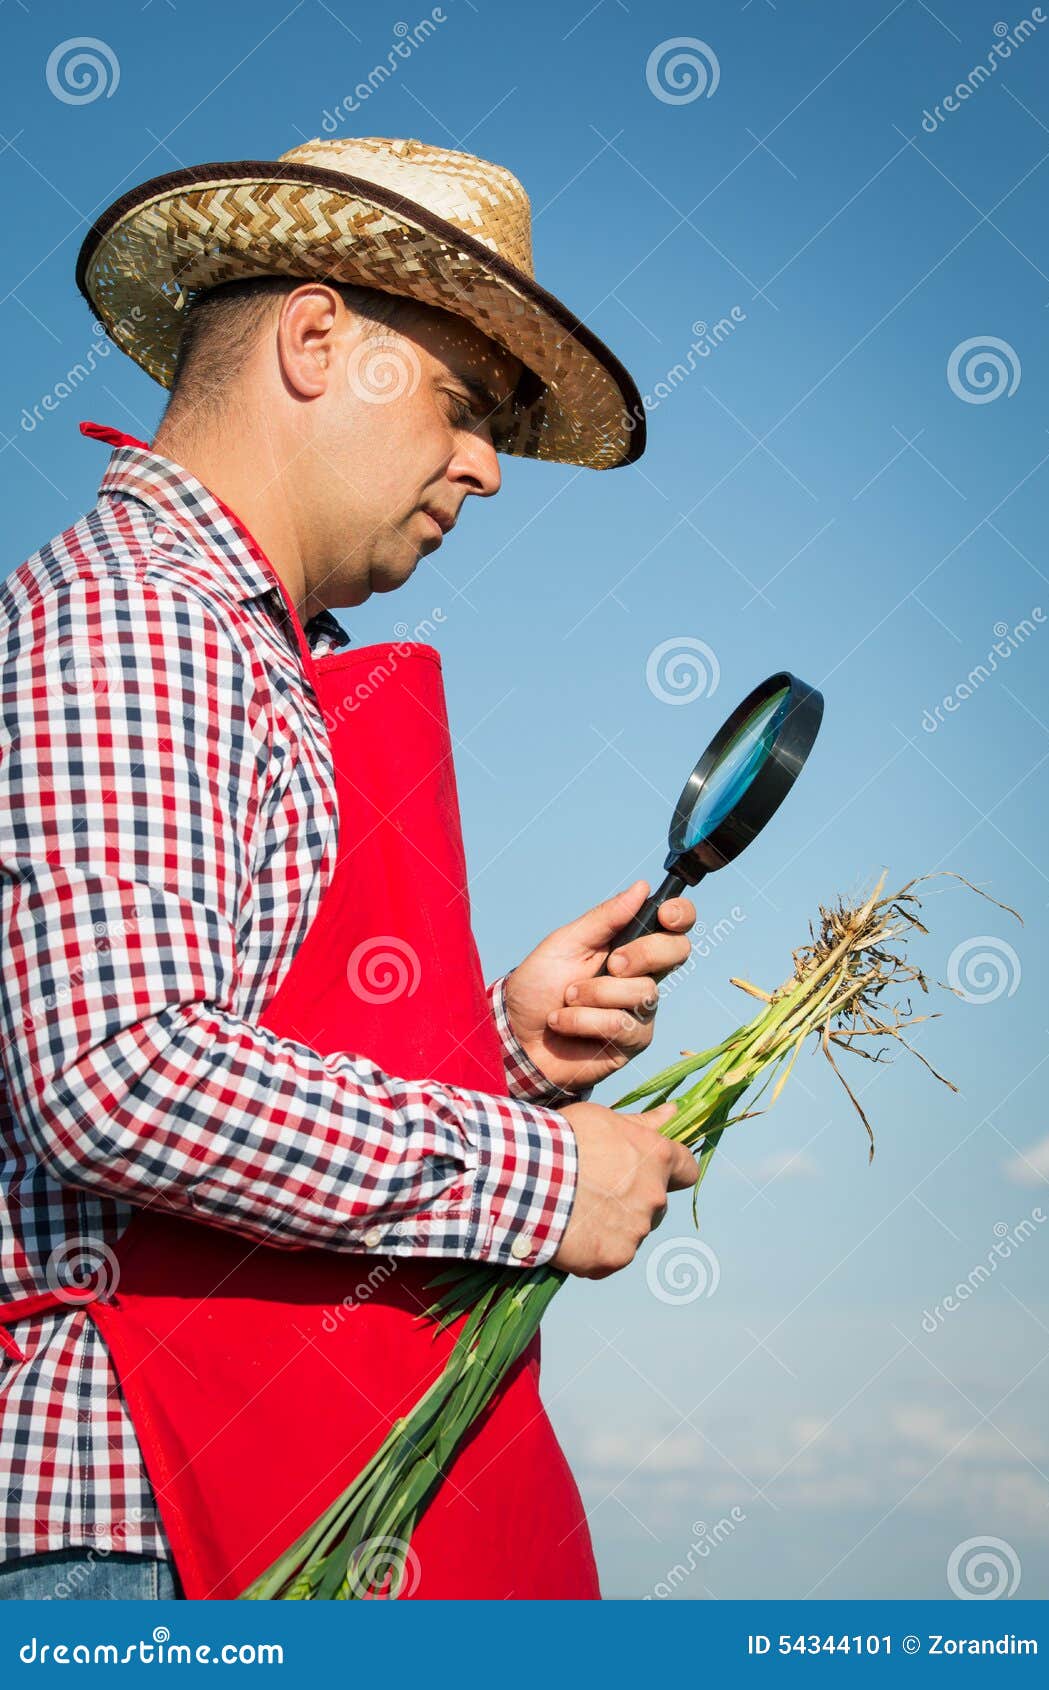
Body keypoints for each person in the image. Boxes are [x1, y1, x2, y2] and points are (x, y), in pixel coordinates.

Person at [0, 136, 698, 1601]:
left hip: (238, 1493)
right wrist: (541, 1173)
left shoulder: (253, 649)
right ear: (316, 340)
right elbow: (115, 1072)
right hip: (128, 1523)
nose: (489, 469)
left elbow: (245, 1039)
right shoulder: (141, 619)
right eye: (462, 403)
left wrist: (500, 1048)